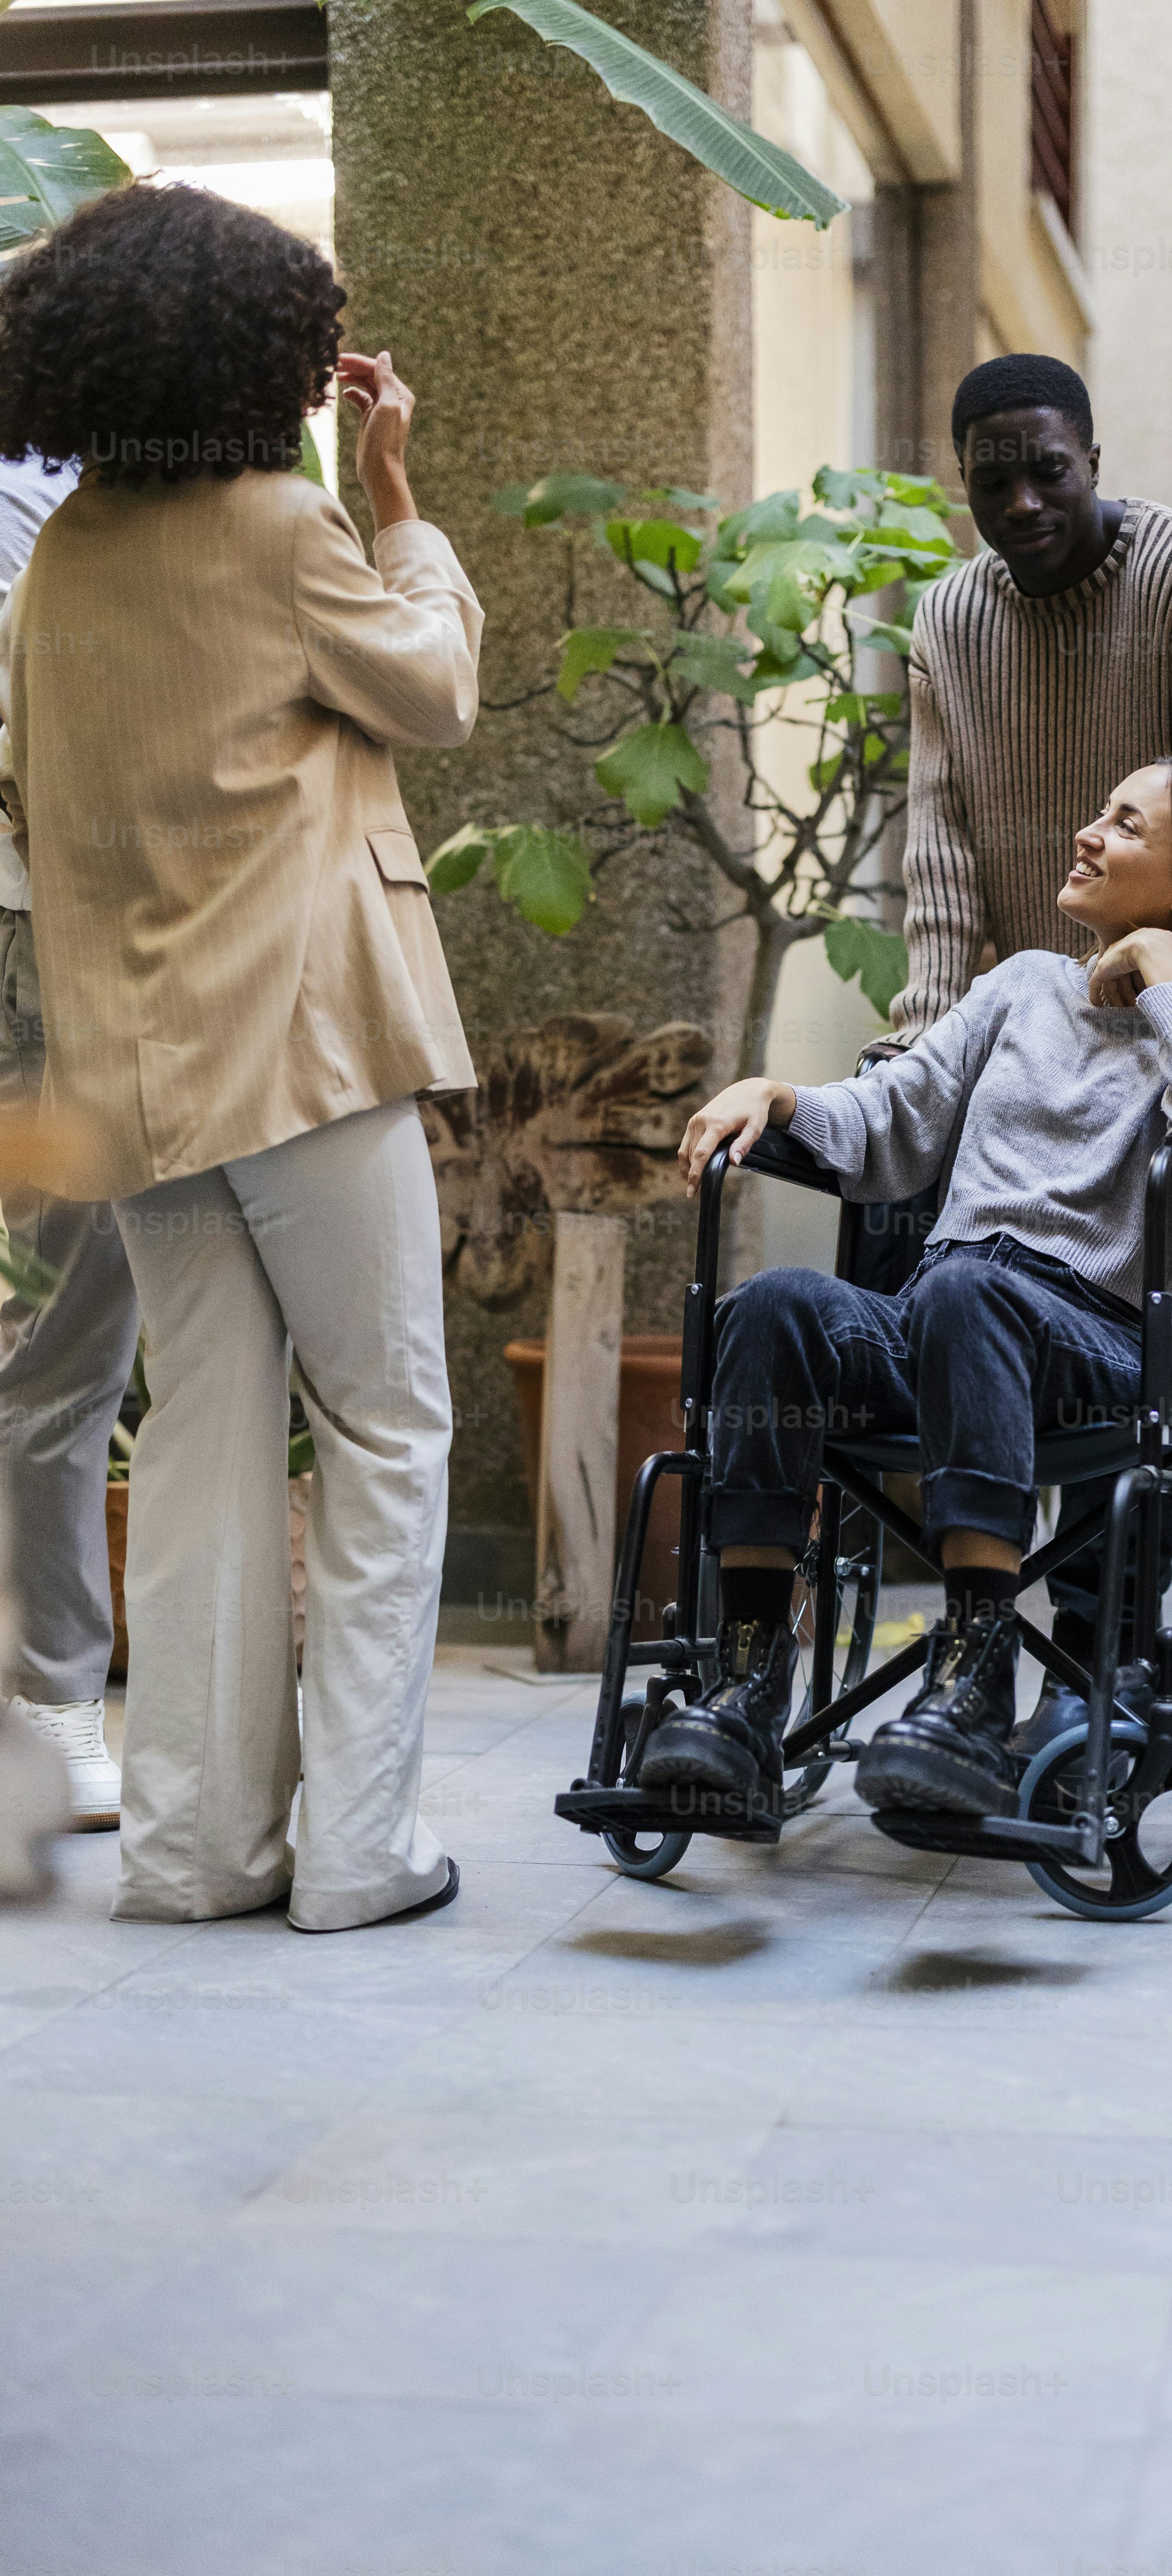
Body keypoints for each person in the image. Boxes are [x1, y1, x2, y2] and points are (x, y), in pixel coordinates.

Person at [0, 182, 481, 1931]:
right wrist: (400, 508)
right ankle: (357, 1851)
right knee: (386, 1421)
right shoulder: (286, 529)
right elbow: (430, 689)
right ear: (253, 356)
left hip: (134, 1074)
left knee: (200, 1431)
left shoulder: (60, 557)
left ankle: (194, 1852)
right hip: (304, 1050)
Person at [642, 756, 1172, 1819]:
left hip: (1101, 1355)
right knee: (774, 1308)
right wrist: (784, 1095)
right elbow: (894, 1122)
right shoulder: (1019, 987)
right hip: (946, 1317)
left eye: (1125, 825)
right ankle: (748, 1683)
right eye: (1099, 808)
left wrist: (1164, 971)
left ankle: (974, 1682)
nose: (1087, 833)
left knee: (967, 1297)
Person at [877, 351, 1172, 1743]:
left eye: (1046, 471)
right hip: (1021, 1024)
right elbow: (941, 851)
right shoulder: (950, 617)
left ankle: (1104, 1652)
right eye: (989, 480)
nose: (1020, 500)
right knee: (942, 1280)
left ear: (1091, 455)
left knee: (1102, 1316)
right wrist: (926, 1046)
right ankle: (954, 1672)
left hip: (1168, 1025)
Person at [0, 450, 136, 1829]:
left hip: (85, 940)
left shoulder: (140, 497)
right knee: (58, 1344)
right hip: (49, 937)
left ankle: (46, 1704)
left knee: (60, 1341)